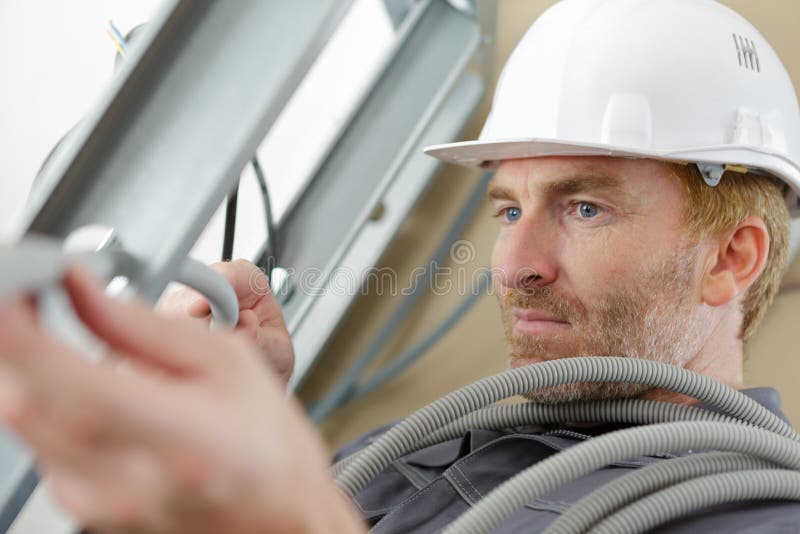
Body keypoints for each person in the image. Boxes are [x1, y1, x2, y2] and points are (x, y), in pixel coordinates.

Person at [1, 0, 799, 532]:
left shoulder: (757, 514)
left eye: (583, 208)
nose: (514, 263)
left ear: (731, 259)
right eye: (509, 209)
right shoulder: (431, 444)